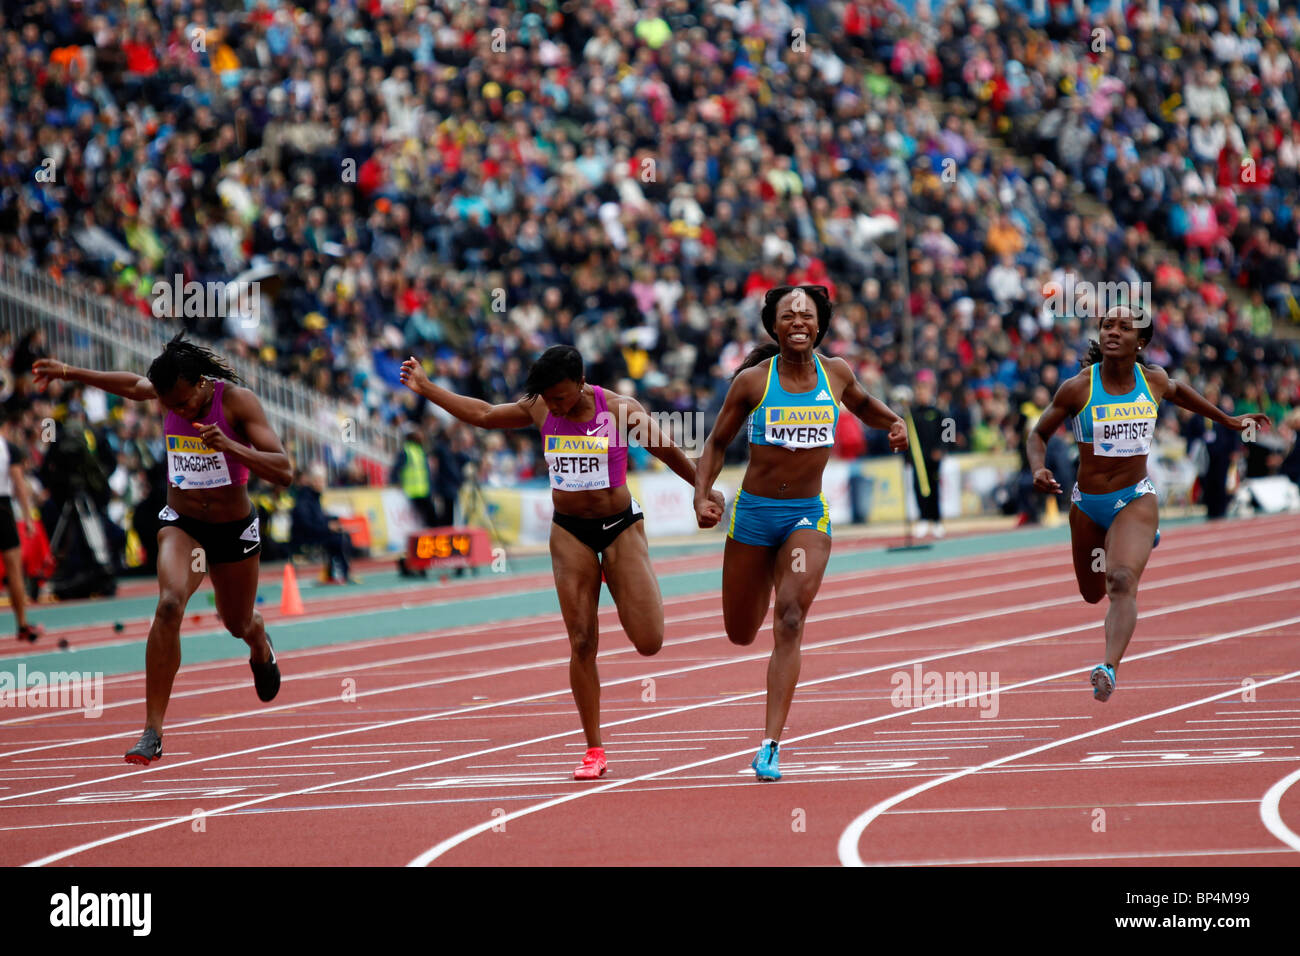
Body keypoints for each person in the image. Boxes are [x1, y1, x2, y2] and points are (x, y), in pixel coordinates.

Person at [400, 344, 724, 780]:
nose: (554, 405)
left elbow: (669, 452)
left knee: (650, 641)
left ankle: (619, 575)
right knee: (582, 642)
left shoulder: (619, 409)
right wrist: (425, 387)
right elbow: (482, 414)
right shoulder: (538, 408)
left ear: (580, 382)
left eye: (561, 397)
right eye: (548, 398)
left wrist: (702, 492)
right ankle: (594, 748)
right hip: (569, 530)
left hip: (619, 526)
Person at [33, 333, 294, 763]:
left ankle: (259, 641)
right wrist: (68, 371)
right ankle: (152, 730)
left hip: (232, 529)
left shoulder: (237, 403)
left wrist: (229, 446)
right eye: (170, 406)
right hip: (183, 523)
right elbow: (132, 386)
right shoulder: (168, 394)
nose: (179, 411)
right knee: (170, 605)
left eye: (185, 403)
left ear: (201, 383)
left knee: (237, 622)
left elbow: (284, 470)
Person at [693, 285, 909, 781]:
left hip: (805, 516)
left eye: (806, 315)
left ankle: (769, 745)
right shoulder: (752, 382)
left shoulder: (836, 374)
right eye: (788, 315)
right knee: (740, 632)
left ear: (819, 325)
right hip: (752, 515)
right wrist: (702, 494)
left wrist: (894, 422)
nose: (797, 321)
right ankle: (764, 576)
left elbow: (866, 404)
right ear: (774, 326)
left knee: (789, 618)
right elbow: (717, 441)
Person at [1028, 307, 1269, 702]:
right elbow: (1038, 434)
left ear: (1141, 342)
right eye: (1108, 325)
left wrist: (1228, 420)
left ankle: (1109, 667)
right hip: (1087, 504)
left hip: (1134, 498)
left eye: (1125, 327)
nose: (1113, 332)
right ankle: (1125, 543)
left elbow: (1181, 393)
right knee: (1092, 593)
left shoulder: (1152, 380)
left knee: (1120, 582)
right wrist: (1038, 468)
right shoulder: (1078, 388)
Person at [0, 410, 40, 641]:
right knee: (14, 571)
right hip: (3, 509)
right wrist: (28, 517)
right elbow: (18, 484)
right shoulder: (9, 448)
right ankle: (22, 624)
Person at [291, 463, 353, 583]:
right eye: (319, 480)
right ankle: (339, 572)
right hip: (305, 537)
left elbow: (318, 518)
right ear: (312, 481)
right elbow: (307, 525)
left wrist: (332, 521)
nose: (322, 484)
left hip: (316, 533)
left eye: (323, 480)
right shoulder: (304, 499)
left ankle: (338, 571)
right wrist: (328, 527)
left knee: (342, 535)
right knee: (338, 539)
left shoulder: (315, 497)